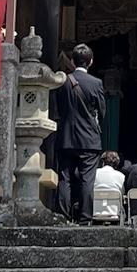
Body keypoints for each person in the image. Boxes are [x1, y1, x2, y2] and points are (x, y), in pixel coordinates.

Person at [55, 43, 105, 224]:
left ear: (72, 61)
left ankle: (62, 218)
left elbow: (58, 109)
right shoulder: (96, 83)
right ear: (90, 62)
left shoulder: (62, 81)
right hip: (89, 140)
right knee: (87, 180)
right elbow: (102, 110)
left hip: (66, 137)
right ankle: (85, 219)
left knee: (65, 178)